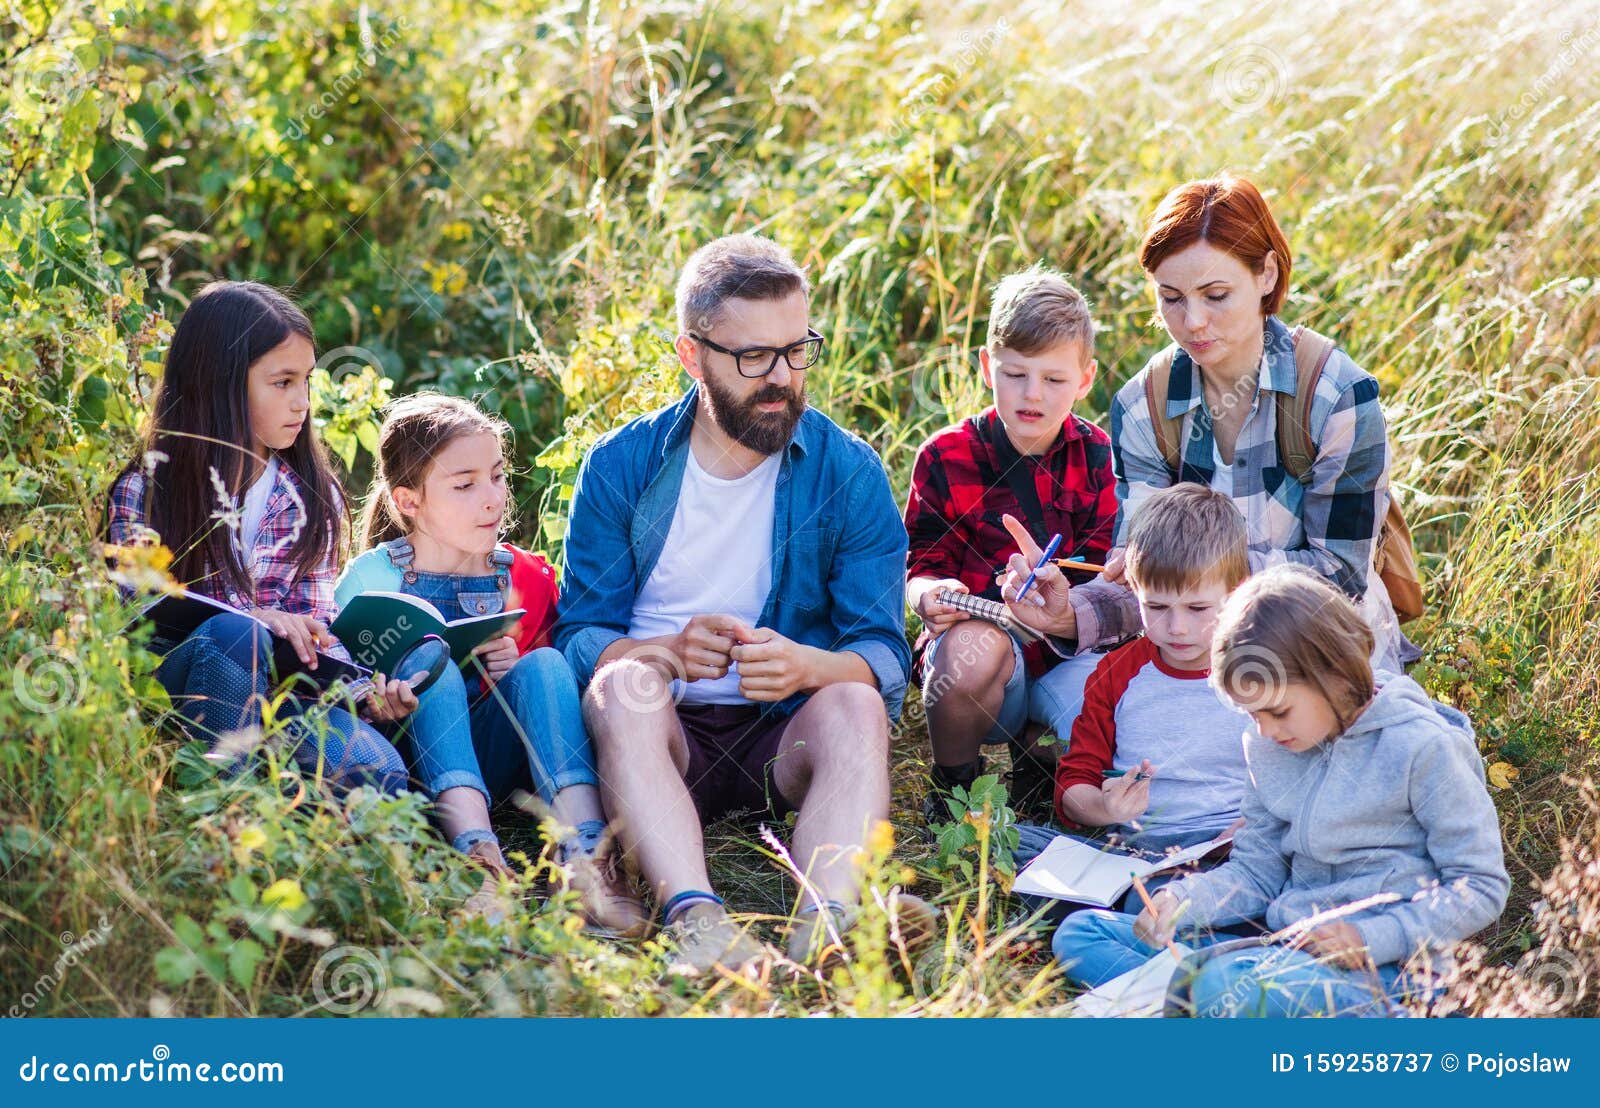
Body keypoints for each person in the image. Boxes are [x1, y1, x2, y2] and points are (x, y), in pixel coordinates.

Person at [555, 232, 927, 972]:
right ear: (691, 355)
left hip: (779, 738)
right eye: (753, 356)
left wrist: (805, 668)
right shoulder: (621, 464)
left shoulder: (847, 470)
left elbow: (884, 654)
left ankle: (825, 932)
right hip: (662, 741)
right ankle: (699, 923)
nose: (782, 377)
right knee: (622, 686)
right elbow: (579, 635)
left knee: (853, 702)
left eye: (797, 350)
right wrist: (658, 655)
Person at [998, 174, 1406, 742]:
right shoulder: (1143, 405)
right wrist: (1070, 613)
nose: (1192, 322)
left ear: (1265, 275)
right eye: (1171, 298)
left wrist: (1203, 583)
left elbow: (1340, 580)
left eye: (1216, 296)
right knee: (1069, 696)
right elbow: (1147, 584)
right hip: (1187, 653)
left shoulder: (1335, 396)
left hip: (1312, 641)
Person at [1053, 566, 1508, 1017]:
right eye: (1251, 716)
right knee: (1081, 934)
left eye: (1278, 712)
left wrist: (1373, 936)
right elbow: (1256, 873)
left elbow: (1480, 885)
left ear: (1335, 676)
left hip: (1385, 967)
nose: (1264, 732)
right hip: (1278, 946)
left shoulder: (1424, 748)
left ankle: (1199, 1003)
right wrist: (1182, 901)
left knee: (1221, 983)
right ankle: (1200, 1007)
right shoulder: (1267, 745)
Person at [337, 394, 643, 931]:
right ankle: (477, 863)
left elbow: (555, 702)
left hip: (497, 763)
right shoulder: (369, 580)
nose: (492, 498)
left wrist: (515, 667)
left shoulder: (524, 575)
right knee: (437, 667)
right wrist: (377, 703)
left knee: (546, 664)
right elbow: (336, 690)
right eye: (464, 484)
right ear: (409, 501)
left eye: (498, 477)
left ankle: (585, 856)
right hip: (408, 771)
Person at [104, 280, 409, 792]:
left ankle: (283, 812)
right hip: (177, 689)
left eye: (307, 381)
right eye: (282, 382)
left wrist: (360, 691)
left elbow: (318, 631)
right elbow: (131, 620)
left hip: (284, 698)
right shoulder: (149, 489)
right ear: (220, 382)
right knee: (234, 635)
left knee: (378, 774)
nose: (303, 403)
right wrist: (254, 621)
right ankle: (229, 812)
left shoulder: (314, 498)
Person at [902, 268, 1116, 827]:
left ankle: (1040, 761)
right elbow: (921, 562)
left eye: (1053, 379)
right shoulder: (944, 456)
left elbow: (1102, 576)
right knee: (973, 651)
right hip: (982, 654)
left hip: (1066, 650)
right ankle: (954, 790)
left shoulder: (1098, 457)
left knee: (1110, 700)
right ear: (985, 365)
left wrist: (1058, 605)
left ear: (1086, 379)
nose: (1032, 394)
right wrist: (928, 595)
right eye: (1015, 374)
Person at [1050, 484, 1252, 854]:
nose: (1177, 628)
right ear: (1135, 590)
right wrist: (1104, 807)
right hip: (1146, 847)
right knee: (1024, 852)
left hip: (1241, 841)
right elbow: (1074, 782)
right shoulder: (1118, 672)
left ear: (1238, 592)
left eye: (1197, 609)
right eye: (1156, 607)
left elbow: (1303, 770)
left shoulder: (1262, 669)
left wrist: (1255, 827)